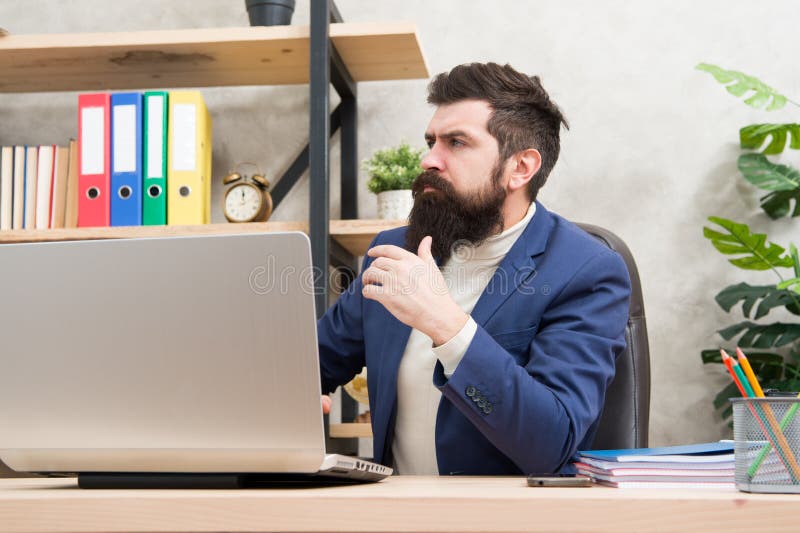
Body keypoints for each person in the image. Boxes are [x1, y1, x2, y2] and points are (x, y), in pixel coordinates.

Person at [317, 62, 631, 475]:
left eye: (457, 143)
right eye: (431, 141)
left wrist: (448, 326)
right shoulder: (394, 251)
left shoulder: (588, 272)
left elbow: (551, 444)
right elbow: (314, 363)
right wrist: (287, 397)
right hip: (394, 514)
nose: (430, 159)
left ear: (521, 167)